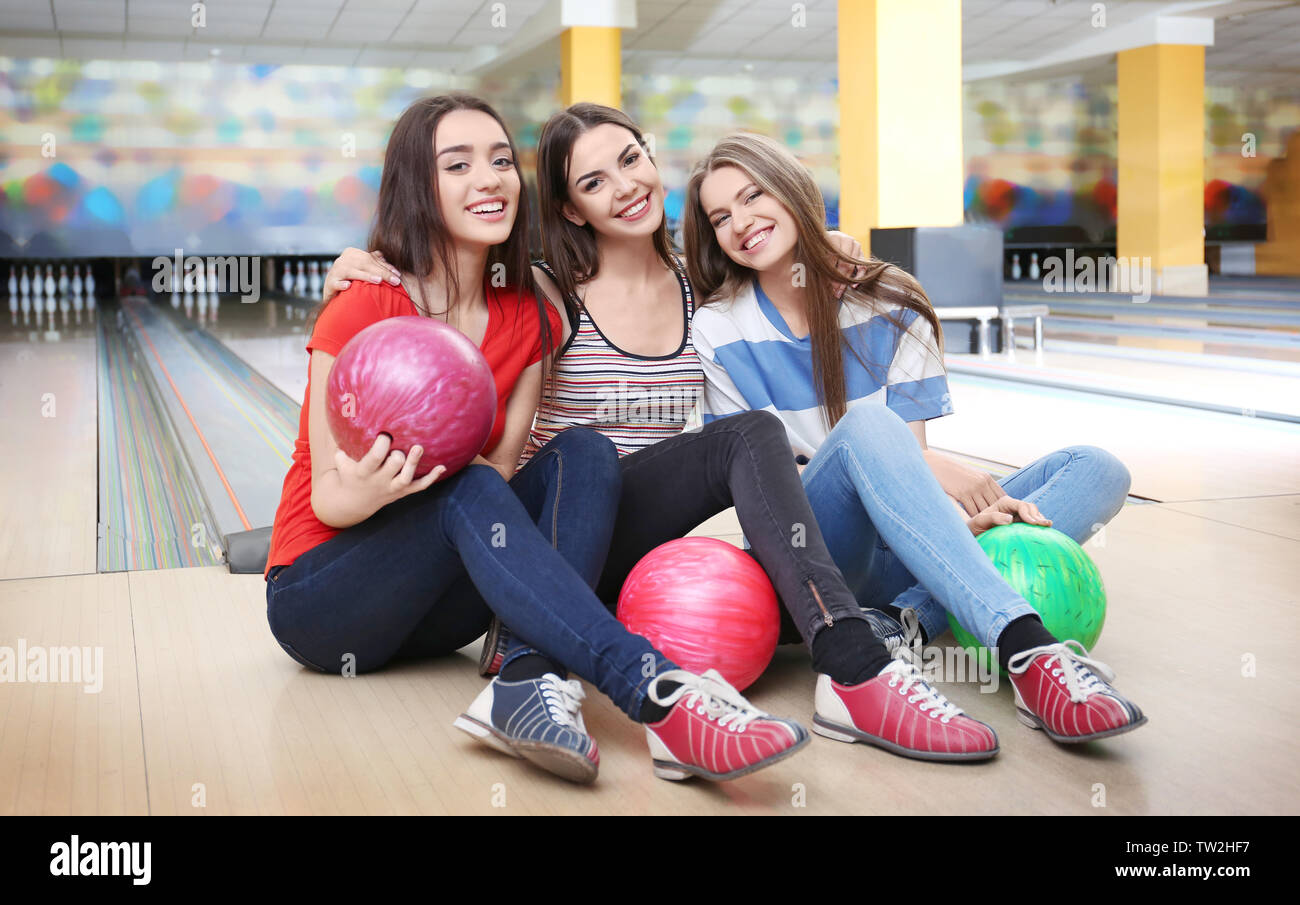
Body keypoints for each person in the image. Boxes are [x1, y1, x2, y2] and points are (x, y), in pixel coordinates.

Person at [325, 103, 1004, 763]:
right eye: (593, 182)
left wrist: (835, 247)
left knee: (752, 432)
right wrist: (355, 264)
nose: (624, 187)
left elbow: (797, 270)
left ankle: (851, 659)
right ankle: (538, 647)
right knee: (589, 455)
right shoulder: (546, 287)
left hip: (637, 531)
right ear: (570, 209)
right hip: (559, 534)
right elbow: (441, 310)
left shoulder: (698, 284)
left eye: (630, 159)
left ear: (651, 158)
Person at [266, 94, 810, 787]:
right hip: (323, 600)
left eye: (499, 160)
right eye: (457, 164)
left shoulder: (525, 316)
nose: (488, 178)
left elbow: (498, 483)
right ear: (417, 186)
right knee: (467, 484)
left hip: (439, 614)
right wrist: (377, 489)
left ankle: (527, 675)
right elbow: (331, 501)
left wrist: (826, 256)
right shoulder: (368, 303)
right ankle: (658, 695)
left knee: (581, 449)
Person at [683, 131, 1147, 745]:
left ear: (792, 189)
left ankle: (902, 620)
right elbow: (767, 490)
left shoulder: (893, 300)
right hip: (811, 549)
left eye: (751, 196)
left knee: (1098, 468)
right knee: (867, 428)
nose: (740, 222)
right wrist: (935, 474)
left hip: (902, 541)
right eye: (720, 217)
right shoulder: (717, 328)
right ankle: (1031, 655)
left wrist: (952, 507)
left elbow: (910, 453)